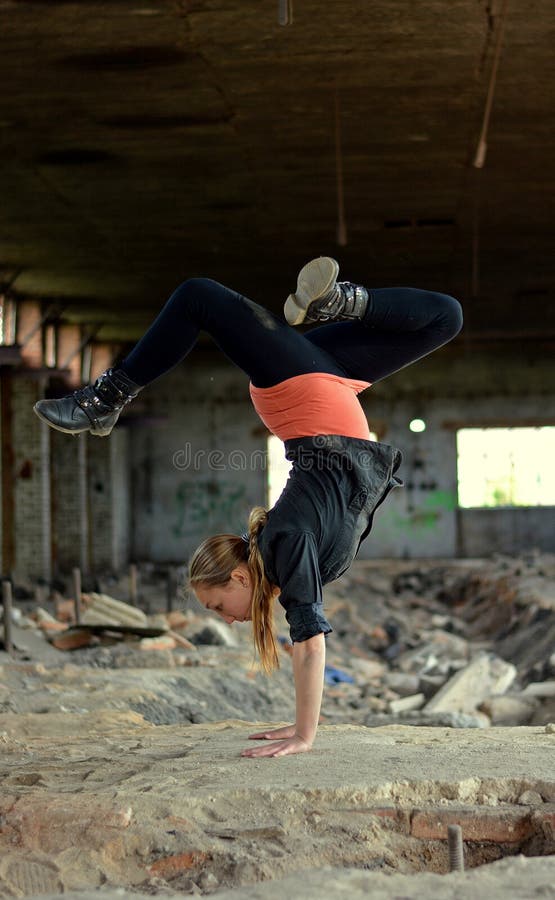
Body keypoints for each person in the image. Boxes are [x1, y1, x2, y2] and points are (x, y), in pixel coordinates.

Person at [34, 257, 463, 758]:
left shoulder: (283, 544)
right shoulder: (286, 557)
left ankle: (104, 399)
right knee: (445, 317)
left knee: (199, 295)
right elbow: (309, 642)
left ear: (239, 579)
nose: (227, 619)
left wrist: (305, 734)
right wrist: (301, 731)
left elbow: (309, 642)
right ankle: (337, 303)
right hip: (327, 389)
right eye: (218, 611)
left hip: (302, 395)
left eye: (216, 606)